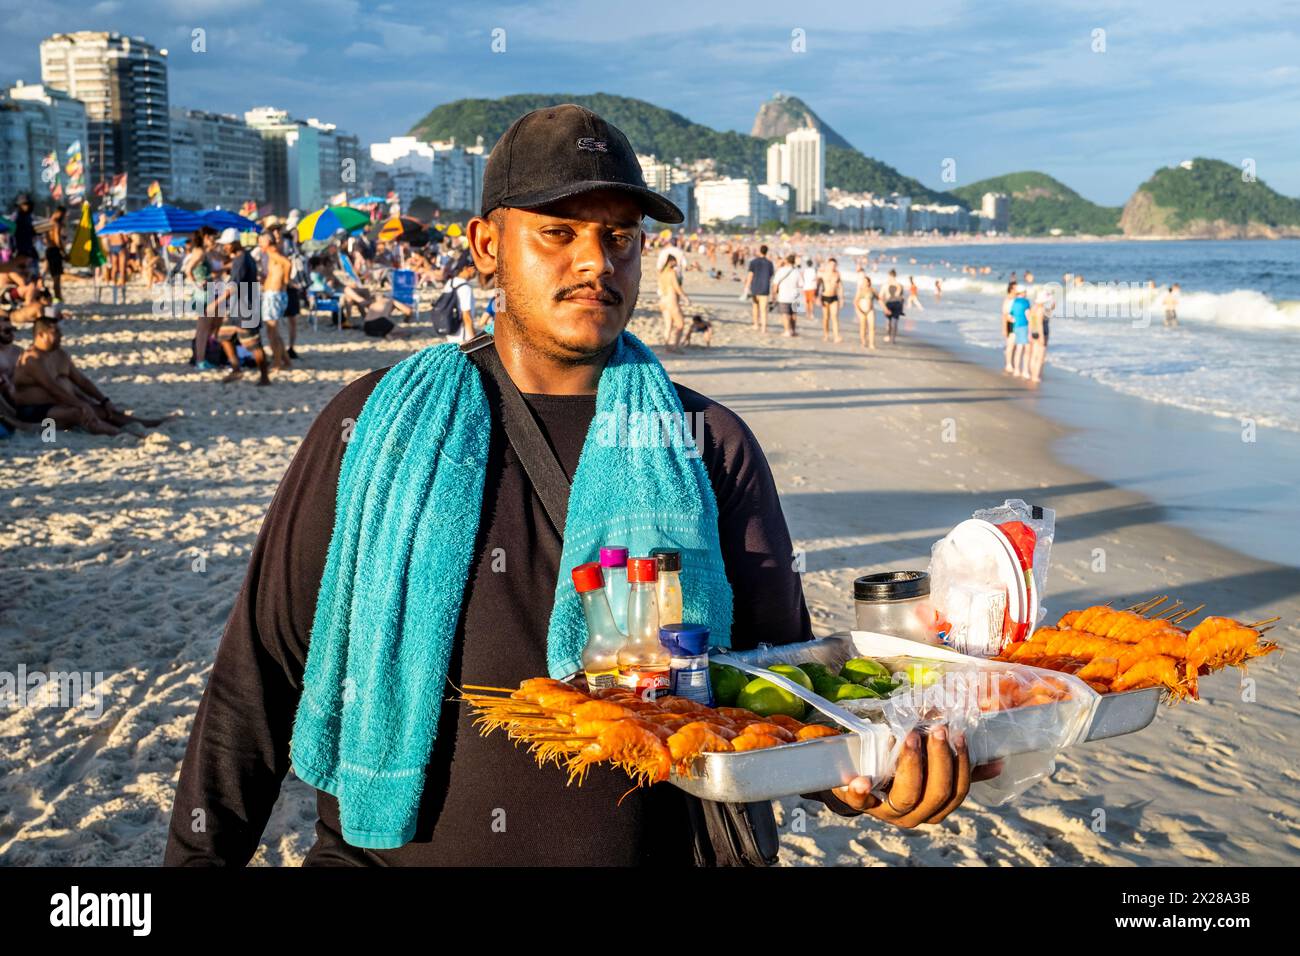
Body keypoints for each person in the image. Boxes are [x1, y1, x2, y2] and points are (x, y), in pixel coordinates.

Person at [166, 104, 997, 867]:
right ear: (487, 245)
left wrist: (867, 777)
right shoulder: (372, 427)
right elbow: (260, 675)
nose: (597, 261)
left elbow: (780, 695)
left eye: (622, 237)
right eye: (558, 232)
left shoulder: (710, 445)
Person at [11, 316, 168, 435]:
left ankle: (147, 424)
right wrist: (81, 404)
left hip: (60, 406)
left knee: (104, 411)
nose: (61, 335)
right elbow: (53, 389)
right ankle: (120, 434)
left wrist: (104, 400)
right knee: (81, 413)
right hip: (34, 411)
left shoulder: (59, 354)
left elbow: (82, 381)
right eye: (55, 332)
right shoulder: (32, 359)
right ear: (41, 335)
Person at [210, 228, 270, 386]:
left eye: (227, 244)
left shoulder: (241, 260)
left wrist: (215, 304)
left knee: (253, 344)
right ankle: (236, 369)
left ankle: (265, 377)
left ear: (234, 244)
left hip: (246, 307)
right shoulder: (243, 257)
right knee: (224, 336)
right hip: (239, 306)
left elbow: (234, 287)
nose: (225, 247)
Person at [257, 232, 292, 370]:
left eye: (261, 242)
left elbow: (288, 264)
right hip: (274, 294)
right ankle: (286, 360)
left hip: (274, 295)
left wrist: (286, 280)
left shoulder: (273, 253)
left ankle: (277, 362)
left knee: (272, 331)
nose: (259, 245)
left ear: (267, 242)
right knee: (273, 331)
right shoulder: (272, 254)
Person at [657, 253, 689, 351]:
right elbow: (676, 287)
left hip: (663, 300)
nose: (676, 264)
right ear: (671, 262)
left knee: (668, 325)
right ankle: (676, 346)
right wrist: (685, 297)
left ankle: (667, 347)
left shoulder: (661, 273)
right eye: (675, 261)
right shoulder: (672, 273)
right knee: (680, 324)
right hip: (671, 300)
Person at [744, 244, 774, 334]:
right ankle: (764, 328)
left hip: (755, 287)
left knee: (755, 307)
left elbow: (750, 275)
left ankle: (756, 324)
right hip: (765, 288)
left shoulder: (753, 262)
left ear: (759, 251)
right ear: (766, 252)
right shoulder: (769, 263)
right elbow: (771, 275)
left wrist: (746, 286)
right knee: (763, 309)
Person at [772, 253, 804, 337]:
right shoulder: (797, 271)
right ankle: (793, 330)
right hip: (796, 296)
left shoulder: (781, 270)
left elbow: (775, 284)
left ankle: (787, 331)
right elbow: (801, 284)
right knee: (794, 314)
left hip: (783, 296)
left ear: (786, 261)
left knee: (785, 314)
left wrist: (774, 296)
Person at [1008, 284, 1032, 378]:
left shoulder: (1013, 301)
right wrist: (1033, 326)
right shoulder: (1025, 302)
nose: (1026, 293)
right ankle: (1025, 371)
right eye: (1025, 291)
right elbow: (1028, 315)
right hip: (1024, 326)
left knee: (1018, 349)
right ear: (1022, 292)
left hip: (1016, 327)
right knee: (1026, 350)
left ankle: (1016, 370)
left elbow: (1010, 316)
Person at [818, 258, 843, 342]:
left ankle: (836, 336)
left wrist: (842, 298)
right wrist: (817, 297)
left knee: (834, 317)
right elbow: (818, 286)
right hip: (825, 297)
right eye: (831, 264)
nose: (833, 266)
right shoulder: (822, 273)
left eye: (834, 265)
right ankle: (826, 335)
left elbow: (840, 286)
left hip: (834, 297)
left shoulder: (837, 274)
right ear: (828, 264)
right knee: (826, 318)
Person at [44, 205, 67, 301]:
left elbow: (46, 239)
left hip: (48, 250)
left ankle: (55, 297)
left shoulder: (48, 222)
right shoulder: (56, 224)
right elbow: (57, 239)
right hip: (55, 250)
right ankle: (58, 297)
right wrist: (63, 252)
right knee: (56, 278)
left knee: (49, 275)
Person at [880, 270, 906, 343]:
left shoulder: (886, 285)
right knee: (895, 322)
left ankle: (888, 336)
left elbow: (881, 296)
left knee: (888, 321)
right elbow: (901, 297)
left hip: (889, 303)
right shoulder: (900, 285)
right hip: (898, 304)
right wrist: (902, 309)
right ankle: (893, 338)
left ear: (890, 275)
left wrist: (883, 306)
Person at [855, 275, 878, 350]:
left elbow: (879, 299)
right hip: (861, 311)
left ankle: (871, 343)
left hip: (870, 310)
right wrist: (858, 310)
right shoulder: (860, 290)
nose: (864, 283)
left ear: (869, 282)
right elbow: (855, 301)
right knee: (863, 327)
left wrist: (885, 308)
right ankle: (863, 341)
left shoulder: (872, 290)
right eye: (863, 281)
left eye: (866, 281)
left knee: (872, 327)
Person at [1001, 281, 1018, 373]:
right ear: (1011, 289)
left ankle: (1012, 363)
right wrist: (1004, 328)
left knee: (1015, 346)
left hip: (1017, 324)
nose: (1017, 290)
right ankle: (1008, 364)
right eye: (1015, 288)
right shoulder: (1007, 300)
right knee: (1010, 345)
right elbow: (1004, 315)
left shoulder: (1017, 299)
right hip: (1009, 324)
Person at [800, 257, 818, 323]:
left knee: (806, 301)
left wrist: (802, 284)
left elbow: (801, 277)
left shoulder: (804, 271)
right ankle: (811, 314)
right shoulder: (814, 270)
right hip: (812, 287)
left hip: (805, 287)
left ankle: (807, 314)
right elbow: (816, 278)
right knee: (811, 302)